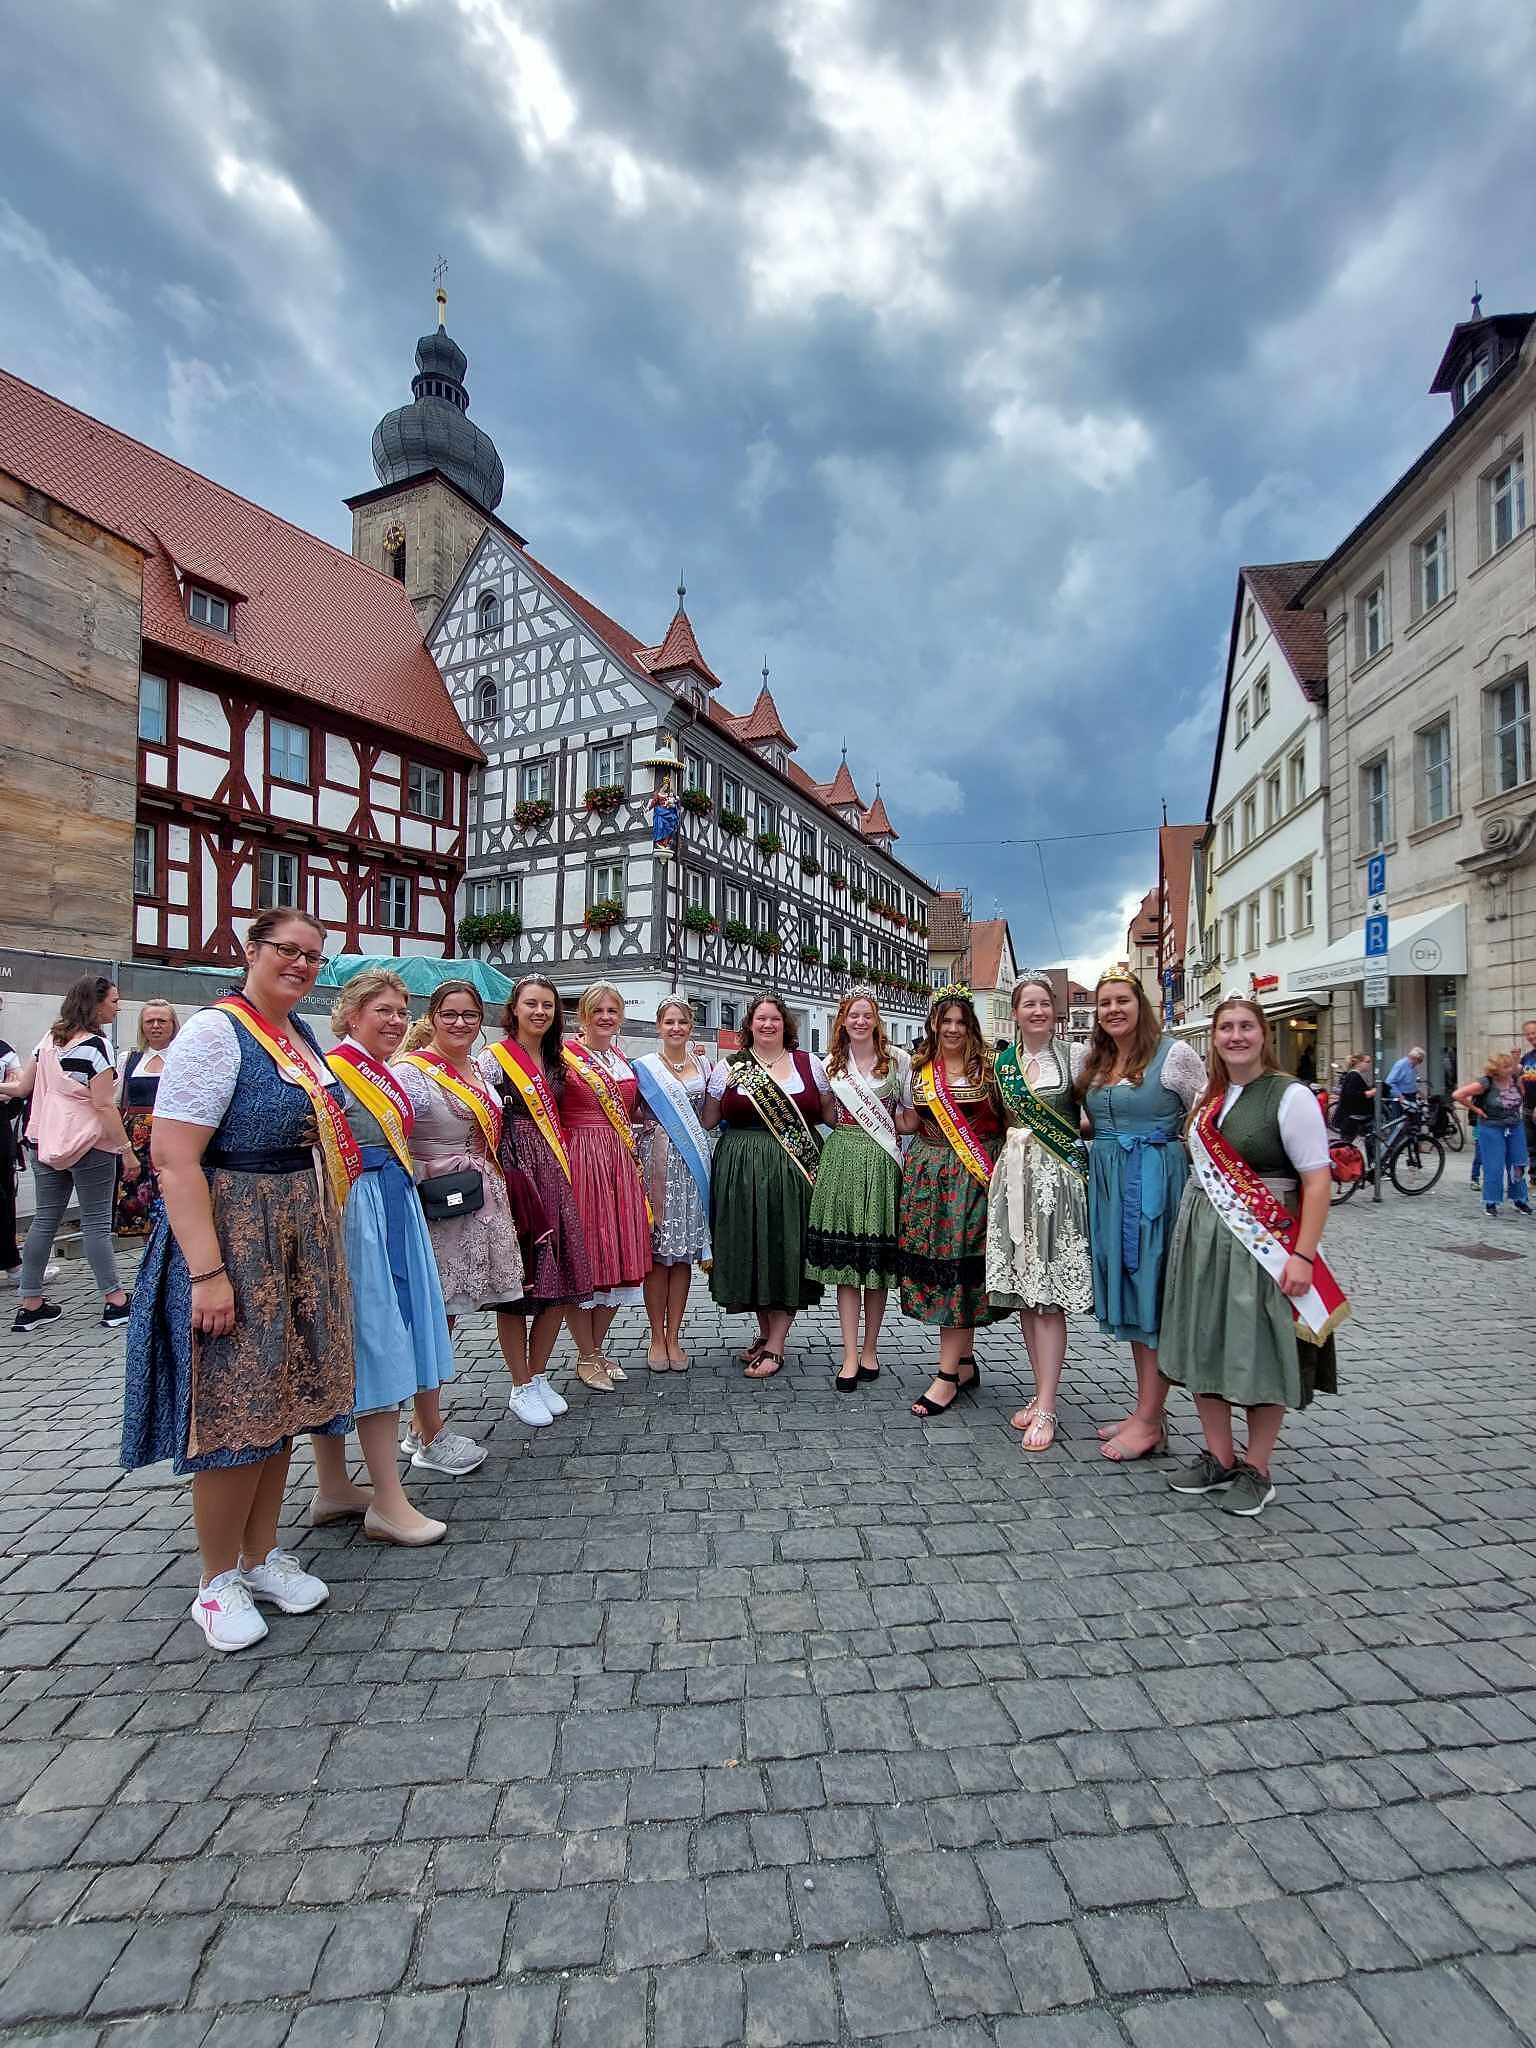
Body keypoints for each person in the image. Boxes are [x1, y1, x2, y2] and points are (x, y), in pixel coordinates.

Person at [121, 912, 353, 1652]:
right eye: (287, 950)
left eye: (314, 956)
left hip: (292, 1237)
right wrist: (208, 1274)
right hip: (234, 1237)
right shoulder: (216, 1033)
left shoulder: (298, 1035)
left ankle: (259, 1557)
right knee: (234, 1409)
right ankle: (214, 1579)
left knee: (282, 1399)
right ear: (251, 951)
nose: (302, 964)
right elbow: (174, 1160)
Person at [1161, 995, 1345, 1518]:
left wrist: (1303, 1256)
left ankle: (1257, 1468)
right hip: (1202, 1236)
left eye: (1246, 1027)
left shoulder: (1289, 1097)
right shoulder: (1211, 1095)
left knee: (1260, 1349)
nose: (1235, 1036)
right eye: (1226, 1028)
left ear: (1264, 1034)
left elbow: (1316, 1180)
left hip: (1262, 1242)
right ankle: (1219, 1457)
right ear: (1214, 1038)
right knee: (1204, 1343)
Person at [309, 971, 454, 1545]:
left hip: (388, 1203)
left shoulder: (375, 1070)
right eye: (382, 1011)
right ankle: (385, 1503)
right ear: (351, 1013)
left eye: (400, 1011)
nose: (395, 1020)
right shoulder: (336, 1072)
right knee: (372, 1339)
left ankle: (334, 1485)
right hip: (358, 1211)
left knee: (362, 1336)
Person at [394, 981, 539, 1432]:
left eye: (469, 1016)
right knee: (434, 1309)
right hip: (437, 1197)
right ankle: (422, 1422)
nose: (460, 1023)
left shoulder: (479, 1066)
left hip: (479, 1197)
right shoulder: (411, 1072)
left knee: (451, 1310)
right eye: (450, 1014)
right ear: (432, 1017)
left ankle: (424, 1421)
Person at [1078, 968, 1207, 1462]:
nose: (1112, 1009)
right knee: (1133, 1296)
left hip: (1154, 1185)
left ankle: (1151, 1421)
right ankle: (1145, 1411)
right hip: (1110, 1187)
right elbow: (1096, 1121)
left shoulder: (1174, 1055)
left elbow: (1206, 1115)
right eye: (1104, 1002)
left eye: (1121, 1001)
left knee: (1152, 1295)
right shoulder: (1101, 1060)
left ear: (1141, 1005)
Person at [700, 991, 831, 1380]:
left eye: (775, 1018)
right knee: (752, 1246)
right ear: (750, 1025)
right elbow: (707, 1119)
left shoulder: (810, 1066)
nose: (768, 1024)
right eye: (761, 1019)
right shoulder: (731, 1068)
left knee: (787, 1246)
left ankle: (777, 1342)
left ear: (785, 1025)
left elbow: (830, 1117)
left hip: (795, 1168)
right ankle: (765, 1332)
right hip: (740, 1169)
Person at [987, 972, 1092, 1453]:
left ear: (1055, 1011)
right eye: (1027, 1004)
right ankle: (1038, 1392)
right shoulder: (1003, 1064)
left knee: (1048, 1300)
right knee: (1029, 1298)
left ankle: (1048, 1405)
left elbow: (1095, 1117)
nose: (1036, 1011)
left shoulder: (1075, 1058)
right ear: (1015, 1012)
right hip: (1014, 1184)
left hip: (1056, 1185)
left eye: (1044, 1004)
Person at [478, 977, 597, 1396]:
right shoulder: (493, 1059)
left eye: (548, 1005)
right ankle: (519, 1382)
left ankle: (538, 1374)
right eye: (532, 1004)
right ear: (514, 1009)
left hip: (554, 1168)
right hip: (515, 1171)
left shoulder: (557, 1058)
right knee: (519, 1278)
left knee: (558, 1275)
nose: (540, 1012)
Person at [2, 976, 139, 1335]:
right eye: (113, 1000)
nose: (118, 1006)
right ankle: (115, 1301)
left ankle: (30, 1304)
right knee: (95, 1223)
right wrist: (127, 1151)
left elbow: (20, 1087)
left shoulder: (48, 1040)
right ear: (94, 1005)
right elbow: (104, 1105)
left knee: (45, 1221)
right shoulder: (97, 1046)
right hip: (89, 1143)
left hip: (43, 1140)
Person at [899, 988, 1010, 1417]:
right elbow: (911, 1119)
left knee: (961, 1269)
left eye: (960, 1022)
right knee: (947, 1268)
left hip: (974, 1176)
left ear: (970, 1026)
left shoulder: (990, 1069)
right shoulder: (920, 1068)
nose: (952, 1029)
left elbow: (1008, 1121)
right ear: (933, 1024)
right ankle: (963, 1364)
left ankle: (945, 1376)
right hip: (929, 1177)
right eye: (945, 1021)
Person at [806, 991, 910, 1390]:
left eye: (867, 1015)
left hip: (881, 1163)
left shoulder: (898, 1061)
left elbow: (907, 1118)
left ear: (876, 1019)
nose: (861, 1021)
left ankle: (870, 1349)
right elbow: (828, 1113)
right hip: (842, 1159)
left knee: (875, 1266)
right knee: (847, 1267)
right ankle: (849, 1353)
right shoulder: (830, 1064)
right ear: (843, 1021)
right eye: (854, 1015)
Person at [559, 984, 652, 1384]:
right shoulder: (563, 1058)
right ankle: (585, 1354)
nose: (606, 1017)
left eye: (613, 1010)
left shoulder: (618, 1057)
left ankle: (595, 1349)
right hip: (582, 1158)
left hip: (618, 1159)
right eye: (597, 1010)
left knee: (619, 1252)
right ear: (583, 1014)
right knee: (589, 1254)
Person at [635, 997, 715, 1371]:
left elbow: (711, 1116)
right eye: (669, 1022)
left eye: (682, 1022)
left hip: (692, 1164)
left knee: (682, 1255)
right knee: (657, 1255)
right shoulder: (644, 1068)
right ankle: (655, 1336)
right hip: (657, 1163)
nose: (676, 1028)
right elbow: (632, 1110)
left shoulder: (704, 1065)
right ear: (658, 1026)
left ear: (690, 1026)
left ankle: (675, 1336)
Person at [114, 998, 179, 1238]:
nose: (155, 1026)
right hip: (137, 1145)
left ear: (173, 1025)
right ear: (142, 1026)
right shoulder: (129, 1059)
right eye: (149, 1021)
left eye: (162, 1021)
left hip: (172, 1140)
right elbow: (116, 1103)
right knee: (139, 1210)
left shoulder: (183, 1058)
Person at [1454, 1053, 1531, 1218]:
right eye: (1506, 1067)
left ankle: (1519, 1199)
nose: (1511, 1069)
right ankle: (1491, 1201)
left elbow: (1520, 1077)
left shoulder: (1514, 1079)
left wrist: (1516, 1063)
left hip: (1514, 1125)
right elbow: (1458, 1094)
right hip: (1491, 1127)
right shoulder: (1485, 1083)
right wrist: (1477, 1110)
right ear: (1497, 1070)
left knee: (1517, 1164)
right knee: (1494, 1166)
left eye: (1511, 1066)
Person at [1332, 1052, 1375, 1143]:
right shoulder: (1353, 1075)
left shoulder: (1356, 1075)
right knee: (1345, 1144)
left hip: (1353, 1118)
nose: (1369, 1064)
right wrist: (1368, 1093)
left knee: (1348, 1142)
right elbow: (1351, 1095)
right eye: (1367, 1062)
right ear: (1359, 1063)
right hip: (1351, 1119)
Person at [1383, 1046, 1424, 1110]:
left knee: (1414, 1117)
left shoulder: (1412, 1066)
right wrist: (1399, 1095)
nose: (1420, 1063)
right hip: (1401, 1097)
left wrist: (1418, 1091)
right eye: (1420, 1060)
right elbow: (1389, 1082)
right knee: (1401, 1119)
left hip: (1411, 1095)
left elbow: (1409, 1082)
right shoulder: (1401, 1065)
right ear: (1414, 1058)